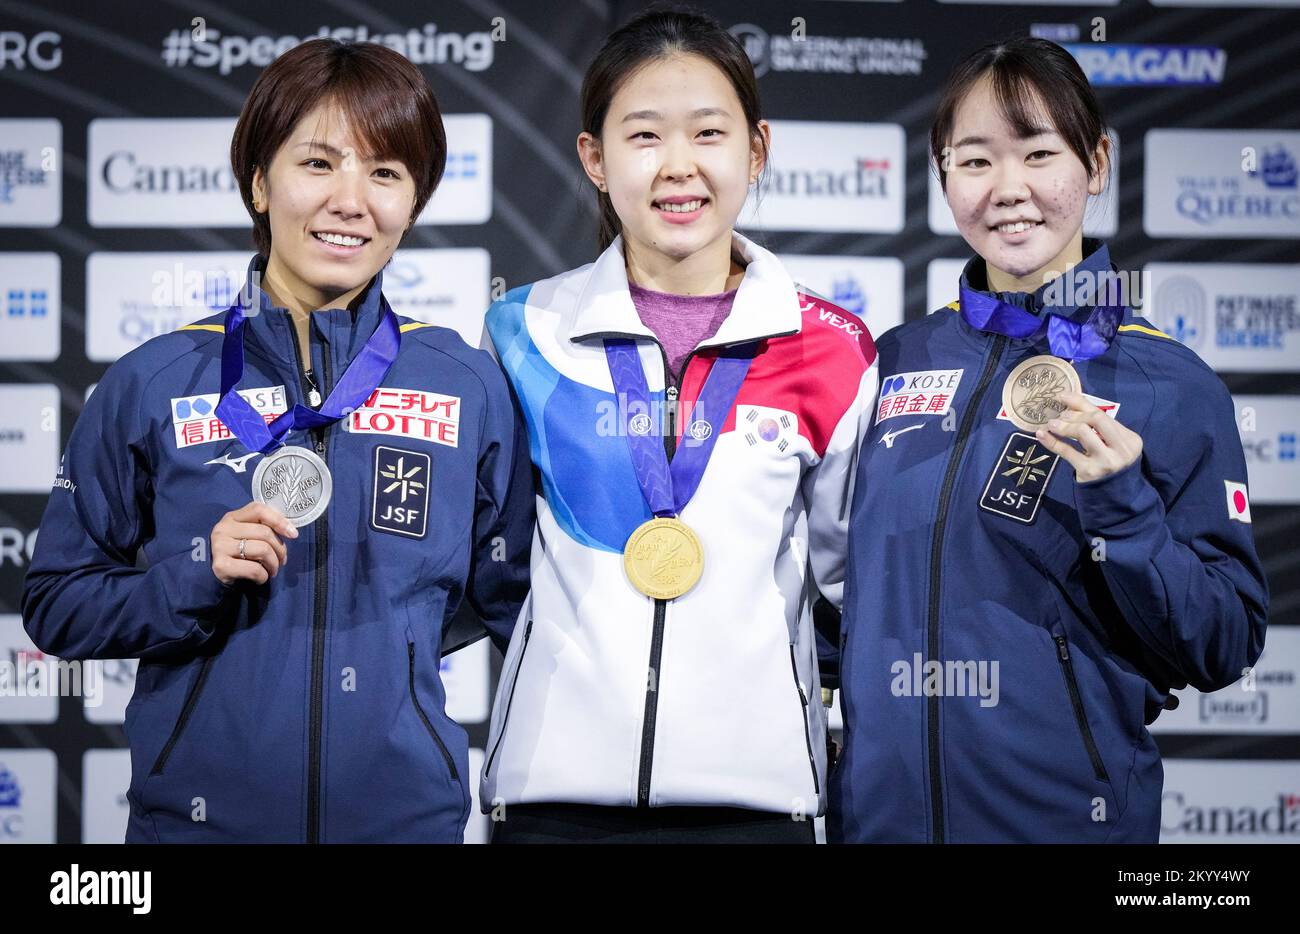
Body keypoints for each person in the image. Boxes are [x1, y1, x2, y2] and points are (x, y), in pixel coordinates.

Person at [21, 38, 533, 843]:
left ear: (413, 203)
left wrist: (396, 646)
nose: (351, 200)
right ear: (261, 182)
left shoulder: (464, 384)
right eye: (319, 164)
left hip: (405, 828)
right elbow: (55, 605)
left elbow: (513, 601)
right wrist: (194, 577)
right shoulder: (155, 379)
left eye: (386, 173)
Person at [829, 36, 1269, 843]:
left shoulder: (1168, 381)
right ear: (942, 177)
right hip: (879, 825)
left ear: (1096, 163)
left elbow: (1226, 641)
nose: (1008, 190)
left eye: (1039, 153)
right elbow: (844, 594)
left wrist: (1126, 512)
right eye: (974, 162)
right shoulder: (890, 360)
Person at [480, 7, 878, 843]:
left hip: (755, 807)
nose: (679, 167)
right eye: (645, 136)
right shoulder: (524, 330)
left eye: (708, 133)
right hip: (552, 802)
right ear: (595, 158)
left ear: (756, 150)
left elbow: (851, 588)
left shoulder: (832, 348)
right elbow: (497, 562)